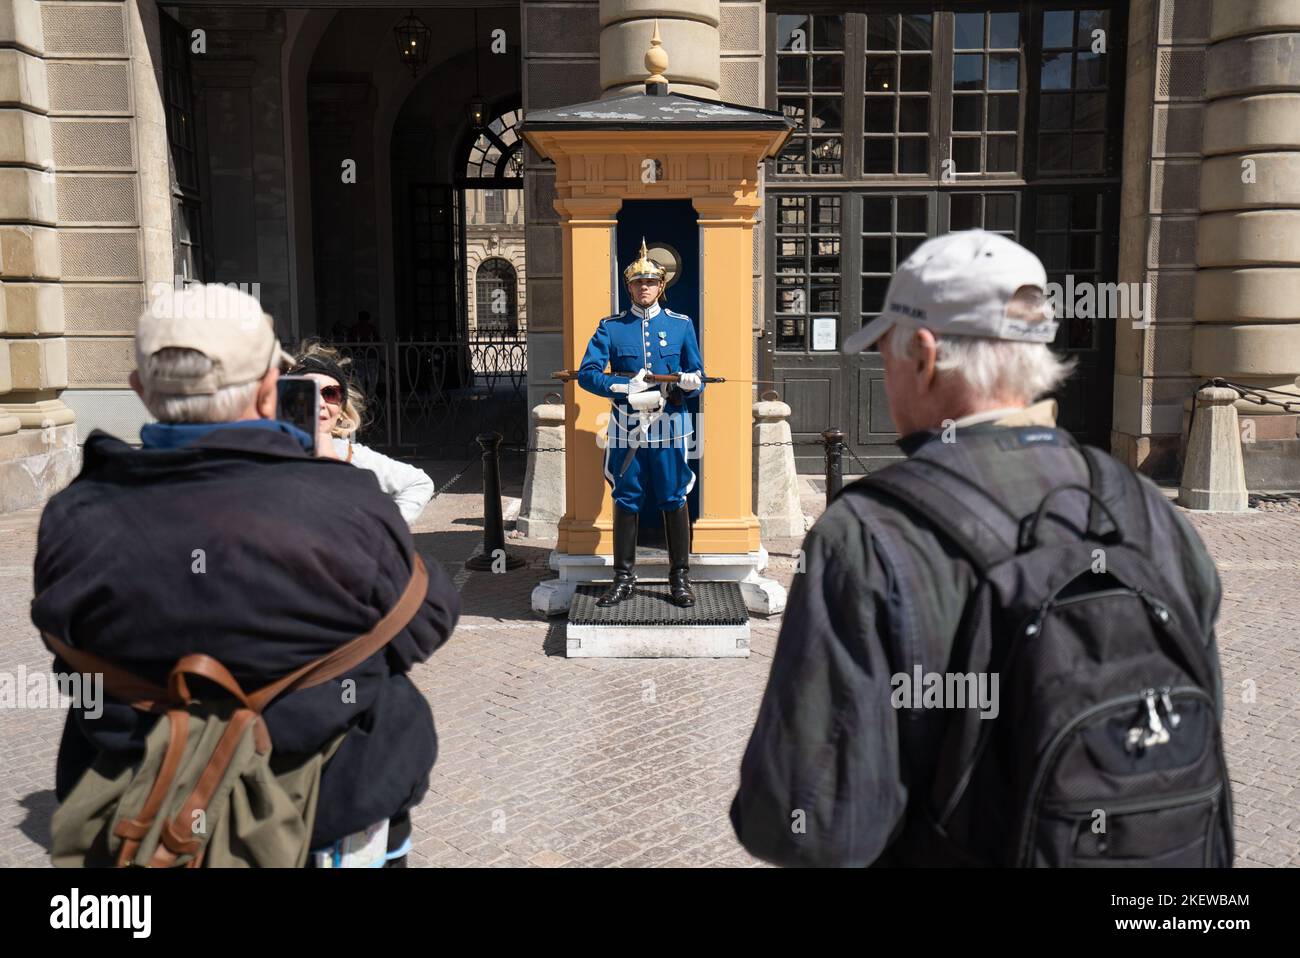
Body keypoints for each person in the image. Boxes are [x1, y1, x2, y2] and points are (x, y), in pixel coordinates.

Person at [730, 230, 1228, 867]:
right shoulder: (1151, 514)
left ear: (926, 355)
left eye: (886, 354)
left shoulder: (865, 535)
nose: (885, 377)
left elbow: (807, 823)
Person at [31, 282, 461, 867]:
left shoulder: (74, 515)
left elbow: (70, 642)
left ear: (139, 390)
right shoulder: (343, 502)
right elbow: (427, 621)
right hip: (324, 809)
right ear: (269, 388)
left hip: (146, 817)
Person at [577, 238, 705, 608]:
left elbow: (697, 373)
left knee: (672, 496)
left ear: (660, 287)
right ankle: (623, 578)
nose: (643, 288)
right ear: (628, 286)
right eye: (637, 283)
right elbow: (587, 375)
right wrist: (622, 385)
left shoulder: (681, 325)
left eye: (650, 282)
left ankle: (680, 578)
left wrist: (690, 381)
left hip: (669, 424)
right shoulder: (611, 327)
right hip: (627, 425)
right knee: (627, 497)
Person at [288, 342, 434, 527]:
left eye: (330, 393)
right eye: (308, 392)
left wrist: (387, 530)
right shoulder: (265, 452)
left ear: (341, 408)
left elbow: (418, 482)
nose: (320, 403)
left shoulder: (354, 457)